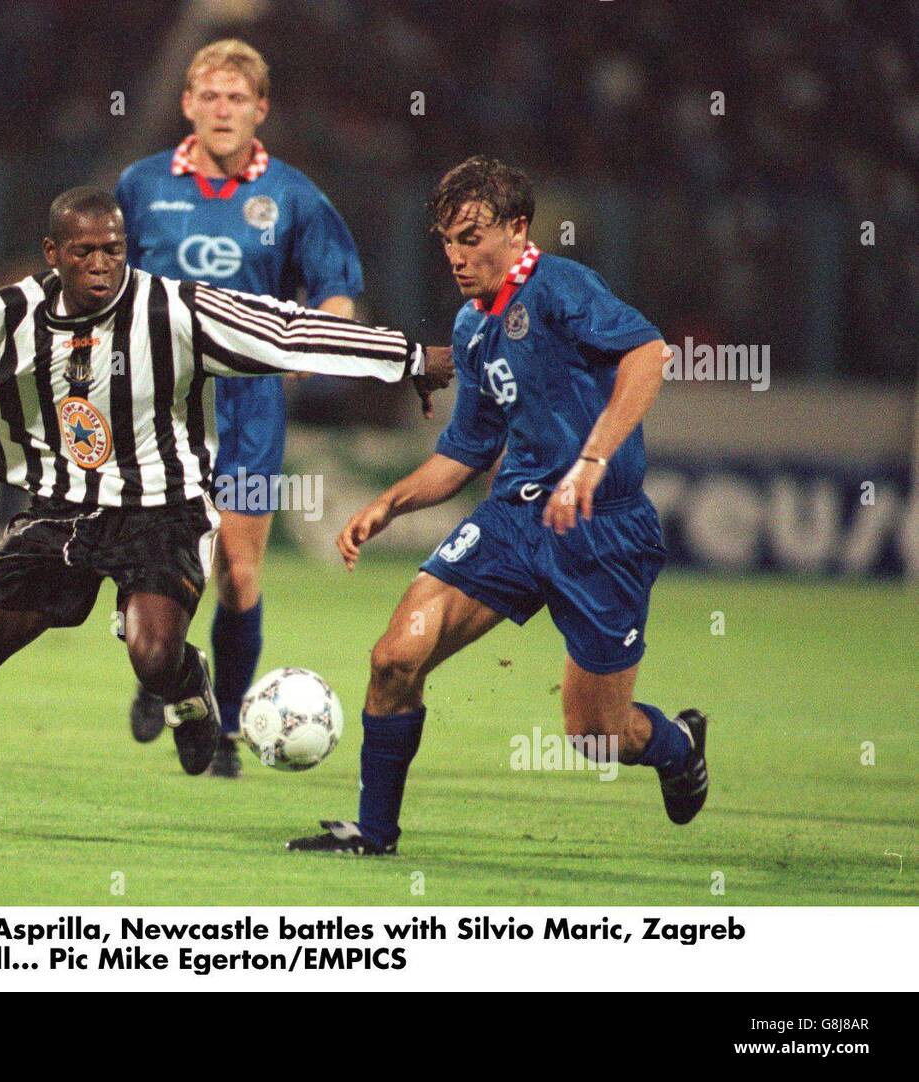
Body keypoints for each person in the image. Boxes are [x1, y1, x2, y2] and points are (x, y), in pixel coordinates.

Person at [0, 186, 451, 827]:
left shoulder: (174, 308)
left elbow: (285, 332)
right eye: (85, 251)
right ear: (53, 253)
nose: (101, 263)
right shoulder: (11, 311)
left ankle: (185, 687)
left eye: (114, 250)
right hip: (59, 510)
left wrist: (404, 357)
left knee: (152, 656)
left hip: (163, 508)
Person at [287, 157, 709, 856]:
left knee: (596, 734)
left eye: (471, 236)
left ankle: (676, 744)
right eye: (447, 240)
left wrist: (592, 459)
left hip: (602, 531)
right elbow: (465, 452)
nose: (456, 255)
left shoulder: (561, 287)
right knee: (396, 657)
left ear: (517, 229)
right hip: (514, 519)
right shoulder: (471, 329)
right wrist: (388, 503)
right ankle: (374, 832)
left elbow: (649, 353)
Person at [115, 39, 362, 776]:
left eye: (237, 99)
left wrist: (317, 346)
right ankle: (160, 672)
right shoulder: (140, 185)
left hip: (249, 405)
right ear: (188, 104)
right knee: (145, 556)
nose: (223, 111)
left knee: (239, 572)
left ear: (261, 110)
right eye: (210, 97)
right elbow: (103, 280)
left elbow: (337, 294)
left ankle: (222, 723)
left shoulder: (292, 196)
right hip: (156, 403)